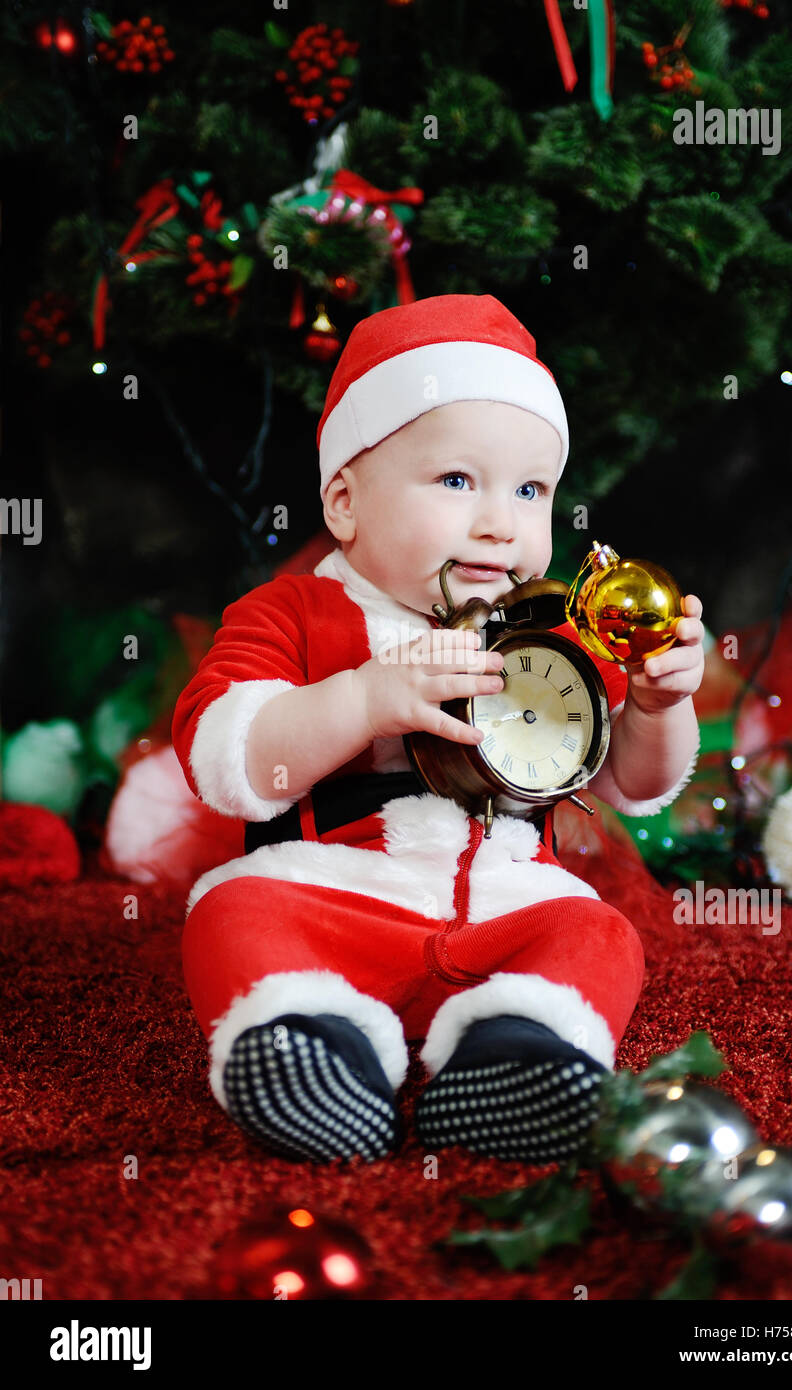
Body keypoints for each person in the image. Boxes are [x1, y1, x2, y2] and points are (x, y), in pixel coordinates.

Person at [171, 293, 705, 1166]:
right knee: (231, 911)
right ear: (344, 503)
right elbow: (228, 761)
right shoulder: (292, 610)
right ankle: (314, 1041)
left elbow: (632, 787)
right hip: (332, 899)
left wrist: (656, 706)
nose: (500, 521)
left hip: (506, 904)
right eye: (457, 480)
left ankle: (514, 1051)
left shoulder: (551, 633)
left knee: (597, 932)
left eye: (530, 490)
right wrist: (365, 700)